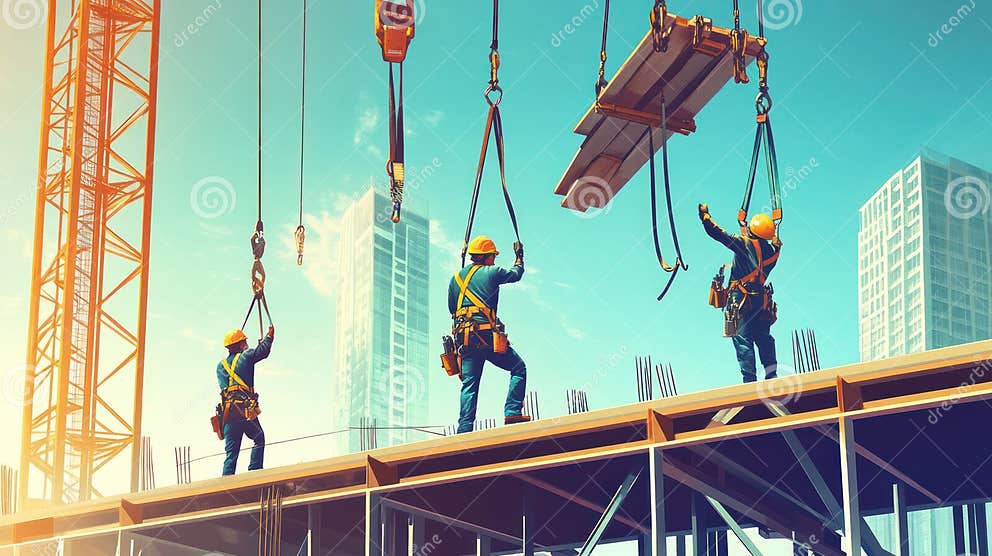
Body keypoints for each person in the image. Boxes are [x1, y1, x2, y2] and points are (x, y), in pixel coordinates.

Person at [449, 236, 529, 433]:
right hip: (486, 337)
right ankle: (512, 412)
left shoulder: (455, 278)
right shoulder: (492, 272)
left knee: (469, 385)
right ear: (487, 257)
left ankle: (465, 428)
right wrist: (519, 257)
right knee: (518, 368)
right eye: (493, 256)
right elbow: (516, 274)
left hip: (465, 340)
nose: (494, 259)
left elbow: (452, 308)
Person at [698, 204, 782, 383]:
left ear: (751, 231)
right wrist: (748, 227)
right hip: (760, 300)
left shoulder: (743, 244)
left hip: (741, 300)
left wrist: (705, 217)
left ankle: (749, 381)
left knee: (743, 339)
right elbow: (759, 245)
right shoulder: (774, 252)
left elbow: (719, 234)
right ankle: (772, 375)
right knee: (763, 337)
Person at [217, 325, 273, 475]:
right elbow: (263, 352)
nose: (247, 343)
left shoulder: (220, 366)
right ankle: (254, 472)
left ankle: (226, 483)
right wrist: (269, 337)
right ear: (241, 344)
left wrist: (257, 348)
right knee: (259, 438)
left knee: (231, 454)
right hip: (244, 412)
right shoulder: (247, 355)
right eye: (245, 341)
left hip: (228, 415)